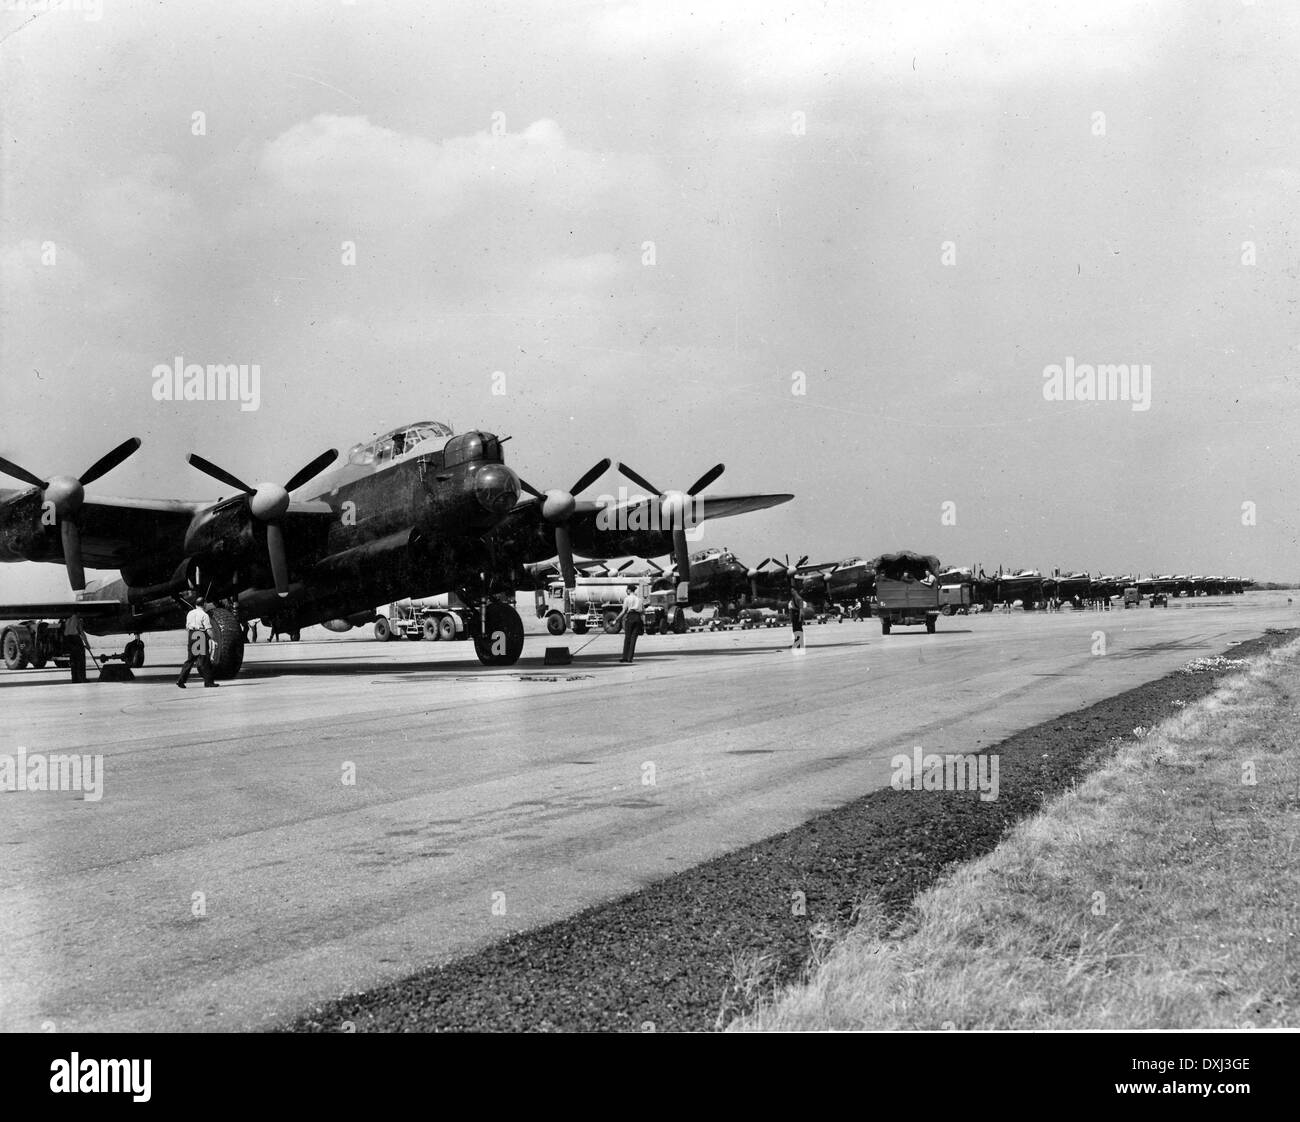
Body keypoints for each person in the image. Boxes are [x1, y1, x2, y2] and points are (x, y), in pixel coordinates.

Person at [177, 595, 219, 688]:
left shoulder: (190, 613)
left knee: (190, 660)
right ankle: (208, 682)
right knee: (205, 660)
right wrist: (214, 639)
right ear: (203, 604)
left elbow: (187, 627)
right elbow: (208, 630)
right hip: (201, 635)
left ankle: (181, 680)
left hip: (192, 635)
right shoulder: (204, 615)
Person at [614, 584, 643, 663]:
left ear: (629, 590)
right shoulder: (639, 599)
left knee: (627, 638)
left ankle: (625, 657)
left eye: (627, 589)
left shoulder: (627, 599)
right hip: (637, 617)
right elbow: (642, 611)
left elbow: (623, 611)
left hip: (630, 617)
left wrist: (616, 620)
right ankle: (630, 658)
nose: (626, 591)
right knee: (633, 639)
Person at [63, 613, 87, 683]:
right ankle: (82, 678)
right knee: (81, 660)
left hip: (68, 639)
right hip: (76, 639)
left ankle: (75, 678)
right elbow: (82, 632)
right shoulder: (78, 620)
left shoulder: (68, 619)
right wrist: (87, 644)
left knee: (73, 660)